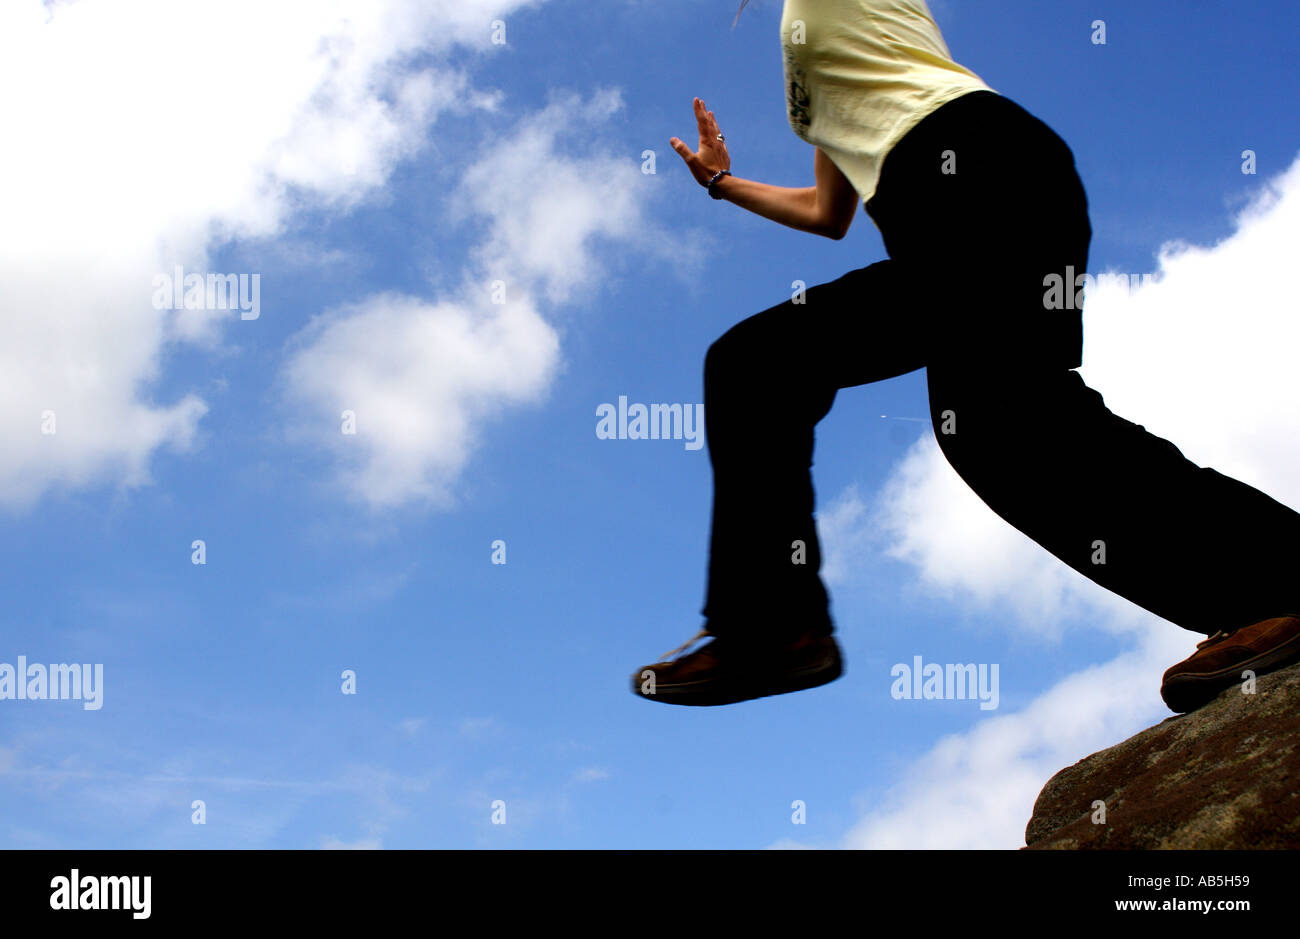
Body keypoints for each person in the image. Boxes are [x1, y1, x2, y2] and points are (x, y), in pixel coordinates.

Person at [630, 0, 1300, 712]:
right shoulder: (806, 72)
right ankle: (1270, 595)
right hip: (970, 196)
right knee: (996, 427)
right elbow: (828, 214)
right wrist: (723, 185)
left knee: (760, 364)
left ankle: (773, 631)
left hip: (978, 165)